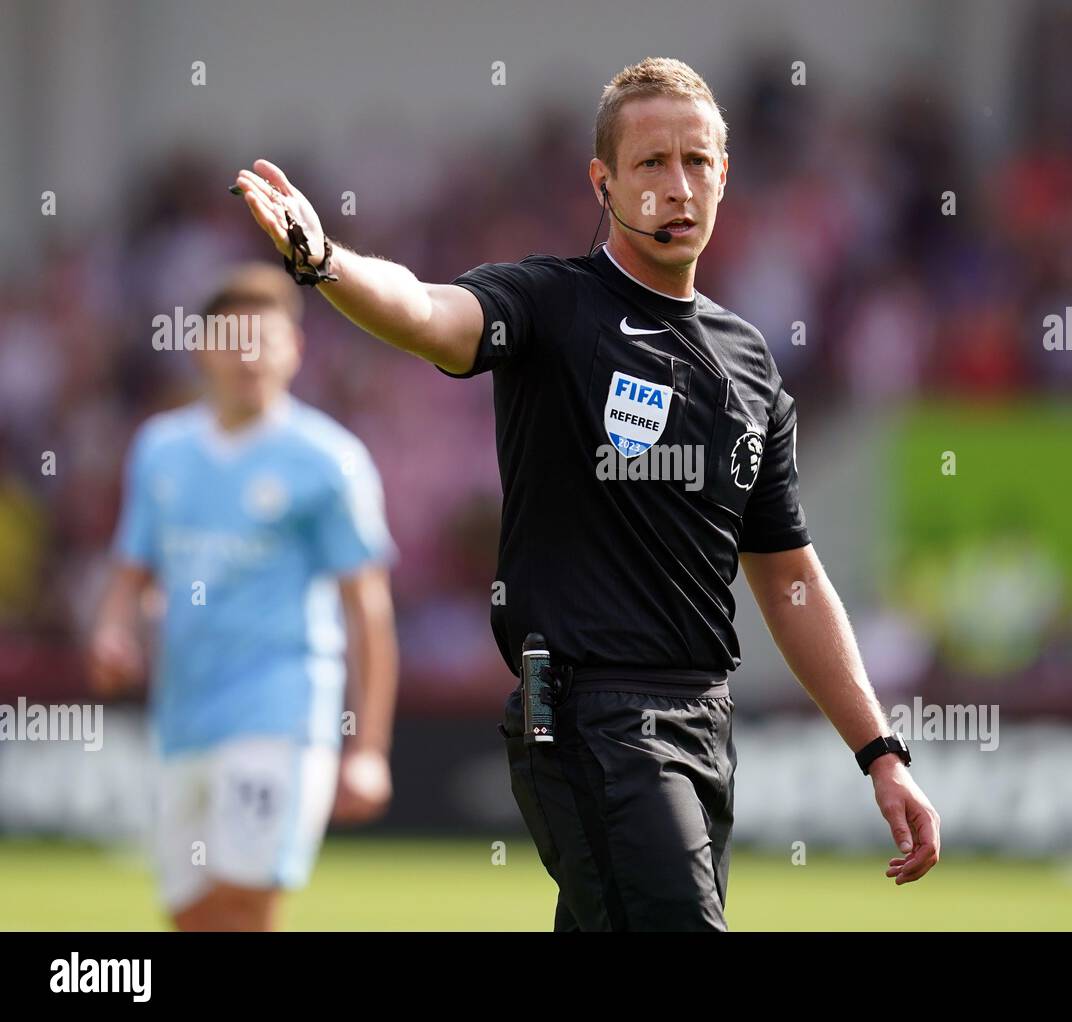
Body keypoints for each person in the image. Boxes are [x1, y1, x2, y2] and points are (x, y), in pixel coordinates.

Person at [232, 56, 939, 931]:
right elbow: (423, 312)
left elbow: (790, 578)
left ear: (725, 175)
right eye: (650, 165)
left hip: (703, 719)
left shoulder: (750, 362)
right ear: (604, 182)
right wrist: (326, 261)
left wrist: (880, 751)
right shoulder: (551, 305)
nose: (677, 187)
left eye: (697, 163)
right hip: (581, 709)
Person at [88, 265, 399, 931]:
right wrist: (113, 630)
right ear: (203, 347)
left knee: (245, 905)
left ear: (295, 349)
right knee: (193, 915)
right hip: (184, 718)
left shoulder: (327, 461)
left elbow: (367, 608)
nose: (249, 357)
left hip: (279, 712)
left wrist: (368, 748)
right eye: (234, 340)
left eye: (266, 340)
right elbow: (131, 570)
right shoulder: (160, 450)